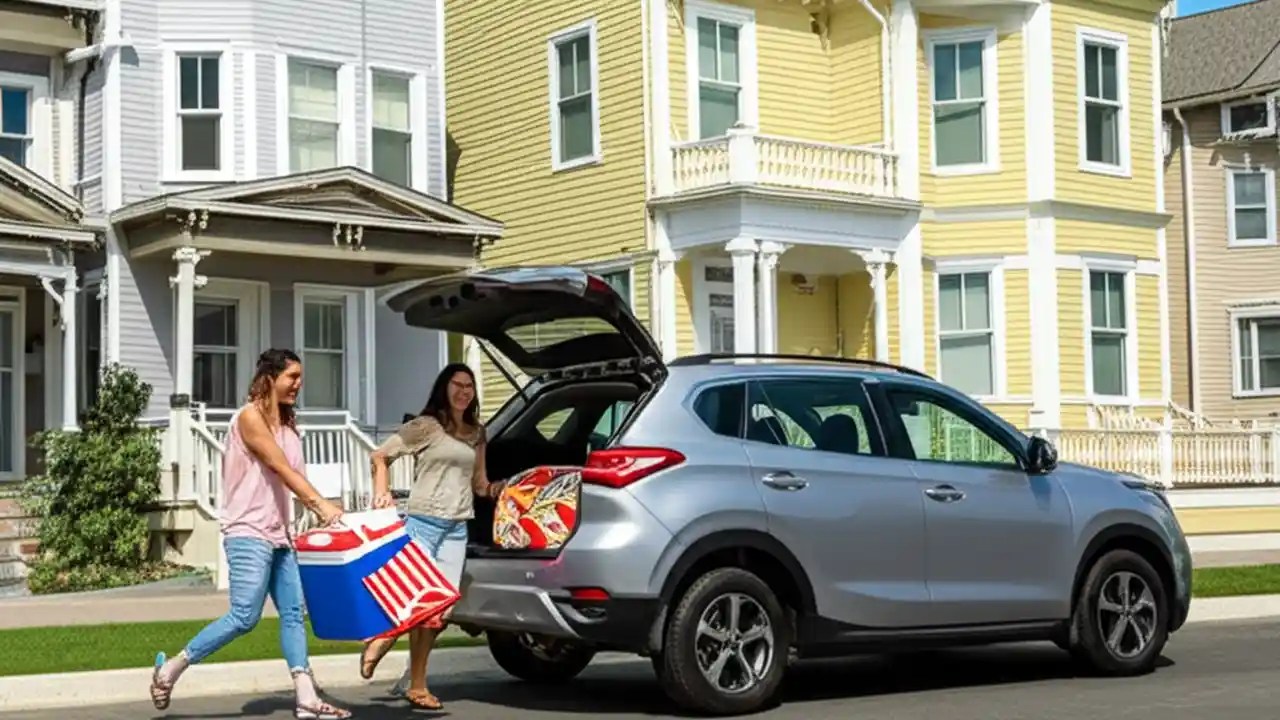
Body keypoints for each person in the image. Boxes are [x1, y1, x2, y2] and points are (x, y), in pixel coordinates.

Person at [149, 349, 352, 720]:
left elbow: (297, 475)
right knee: (244, 616)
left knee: (294, 614)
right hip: (247, 531)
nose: (298, 385)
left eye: (300, 378)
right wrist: (319, 505)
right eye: (292, 377)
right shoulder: (248, 419)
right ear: (270, 378)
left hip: (280, 534)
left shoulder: (289, 425)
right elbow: (277, 467)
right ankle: (169, 670)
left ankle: (306, 700)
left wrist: (322, 507)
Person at [357, 362, 505, 710]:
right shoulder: (426, 426)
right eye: (457, 384)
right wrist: (383, 493)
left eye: (469, 386)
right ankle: (384, 640)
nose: (464, 391)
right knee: (409, 599)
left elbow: (480, 484)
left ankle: (416, 682)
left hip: (456, 528)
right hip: (423, 523)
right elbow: (381, 455)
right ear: (444, 387)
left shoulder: (477, 433)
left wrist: (501, 488)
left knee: (439, 610)